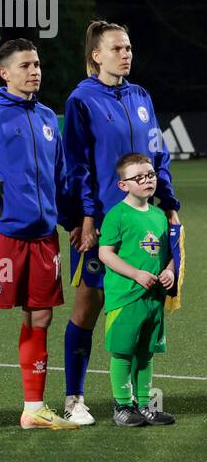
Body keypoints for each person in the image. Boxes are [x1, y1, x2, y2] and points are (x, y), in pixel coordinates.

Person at [0, 40, 77, 434]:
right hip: (0, 234)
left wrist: (74, 220)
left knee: (41, 315)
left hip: (43, 237)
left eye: (37, 64)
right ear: (5, 73)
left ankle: (34, 407)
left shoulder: (46, 117)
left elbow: (60, 178)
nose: (34, 71)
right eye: (25, 65)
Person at [60, 21, 181, 425]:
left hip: (146, 223)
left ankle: (137, 403)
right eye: (117, 48)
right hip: (106, 226)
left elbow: (157, 156)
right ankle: (74, 398)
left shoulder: (141, 96)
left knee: (145, 308)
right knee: (88, 307)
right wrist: (85, 216)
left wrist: (169, 203)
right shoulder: (81, 100)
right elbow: (75, 166)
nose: (126, 54)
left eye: (128, 47)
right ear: (97, 55)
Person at [96, 153, 177, 427]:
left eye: (151, 174)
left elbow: (169, 253)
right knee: (122, 352)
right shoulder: (116, 215)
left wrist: (169, 271)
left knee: (146, 352)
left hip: (153, 298)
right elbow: (105, 253)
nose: (147, 180)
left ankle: (146, 405)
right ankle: (122, 406)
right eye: (138, 177)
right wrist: (135, 274)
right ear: (124, 185)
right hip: (126, 296)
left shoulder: (158, 215)